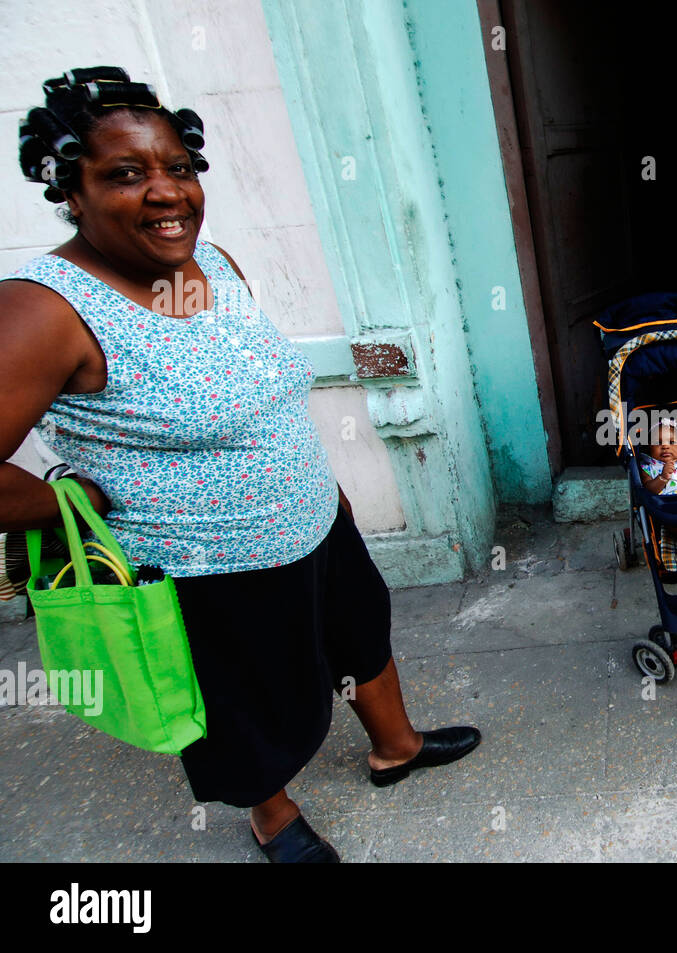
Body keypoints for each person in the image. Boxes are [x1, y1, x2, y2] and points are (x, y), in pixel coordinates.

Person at [0, 67, 481, 861]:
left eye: (178, 169)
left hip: (313, 519)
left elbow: (254, 389)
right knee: (244, 704)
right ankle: (273, 816)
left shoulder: (210, 264)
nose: (166, 193)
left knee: (362, 635)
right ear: (68, 190)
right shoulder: (43, 308)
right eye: (125, 174)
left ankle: (396, 748)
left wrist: (322, 487)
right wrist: (63, 503)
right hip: (206, 565)